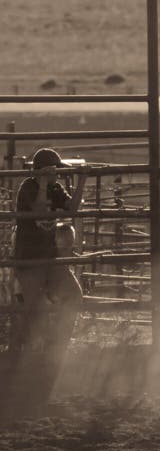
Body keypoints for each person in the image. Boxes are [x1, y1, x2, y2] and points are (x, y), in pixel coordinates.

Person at [6, 148, 85, 415]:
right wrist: (41, 183)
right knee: (33, 310)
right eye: (52, 170)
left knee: (73, 295)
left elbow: (72, 210)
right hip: (28, 260)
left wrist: (82, 181)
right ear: (42, 171)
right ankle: (22, 364)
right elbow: (39, 210)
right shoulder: (29, 188)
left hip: (49, 259)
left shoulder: (56, 188)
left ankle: (57, 347)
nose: (56, 174)